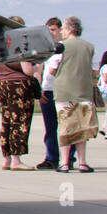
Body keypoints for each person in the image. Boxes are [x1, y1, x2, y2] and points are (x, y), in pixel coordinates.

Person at [53, 15, 97, 173]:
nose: (62, 32)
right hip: (84, 91)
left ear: (70, 29)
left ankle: (64, 162)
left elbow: (52, 68)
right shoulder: (89, 47)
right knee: (82, 128)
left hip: (65, 91)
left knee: (65, 126)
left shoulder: (60, 46)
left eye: (64, 28)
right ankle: (82, 162)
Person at [0, 18, 36, 170]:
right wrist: (37, 68)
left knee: (6, 121)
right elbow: (28, 70)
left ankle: (7, 158)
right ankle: (17, 159)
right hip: (20, 85)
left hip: (3, 84)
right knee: (20, 120)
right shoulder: (20, 44)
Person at [37, 17, 73, 170]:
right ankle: (52, 157)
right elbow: (42, 70)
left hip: (62, 91)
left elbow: (53, 71)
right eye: (48, 30)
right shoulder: (48, 49)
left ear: (60, 30)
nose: (51, 33)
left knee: (68, 126)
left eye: (53, 30)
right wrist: (41, 89)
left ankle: (69, 157)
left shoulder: (63, 48)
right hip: (48, 90)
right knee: (50, 127)